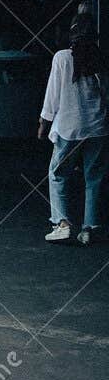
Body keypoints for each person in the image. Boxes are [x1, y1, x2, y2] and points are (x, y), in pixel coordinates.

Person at [39, 13, 108, 245]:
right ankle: (90, 227)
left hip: (69, 126)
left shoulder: (62, 58)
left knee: (57, 174)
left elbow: (53, 95)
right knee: (94, 177)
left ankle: (62, 223)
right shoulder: (99, 57)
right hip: (97, 126)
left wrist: (44, 122)